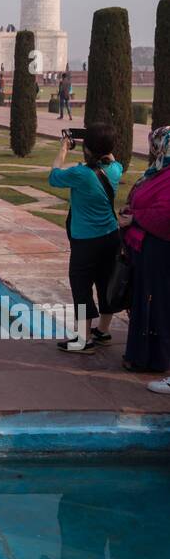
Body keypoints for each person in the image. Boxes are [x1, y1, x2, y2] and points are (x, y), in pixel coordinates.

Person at [49, 123, 123, 353]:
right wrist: (100, 144)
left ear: (88, 149)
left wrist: (64, 148)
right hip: (111, 236)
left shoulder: (80, 174)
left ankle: (83, 338)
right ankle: (103, 330)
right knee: (105, 282)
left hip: (86, 241)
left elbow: (53, 176)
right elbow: (111, 157)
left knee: (81, 287)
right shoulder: (116, 169)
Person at [118, 126, 170, 388]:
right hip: (146, 248)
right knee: (144, 303)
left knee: (156, 305)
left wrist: (136, 217)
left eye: (156, 144)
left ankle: (155, 359)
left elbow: (165, 216)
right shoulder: (158, 172)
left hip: (159, 252)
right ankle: (139, 355)